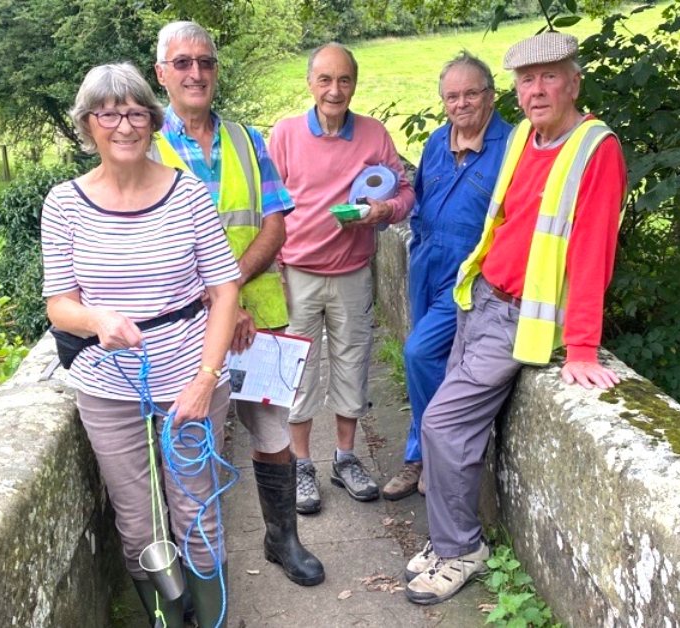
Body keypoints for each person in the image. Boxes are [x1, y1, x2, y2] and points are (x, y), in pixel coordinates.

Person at [404, 32, 627, 606]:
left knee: (443, 425)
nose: (536, 90)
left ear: (574, 81)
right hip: (480, 297)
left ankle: (460, 551)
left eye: (550, 76)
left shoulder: (593, 148)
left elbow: (592, 249)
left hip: (518, 317)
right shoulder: (528, 135)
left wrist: (581, 348)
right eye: (527, 80)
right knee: (455, 426)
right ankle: (445, 538)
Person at [41, 62, 239, 628]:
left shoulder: (188, 194)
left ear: (153, 121)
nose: (123, 126)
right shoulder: (64, 204)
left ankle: (213, 618)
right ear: (87, 125)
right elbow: (59, 304)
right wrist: (98, 319)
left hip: (191, 380)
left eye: (134, 112)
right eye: (108, 113)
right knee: (137, 526)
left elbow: (224, 291)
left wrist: (204, 379)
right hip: (109, 387)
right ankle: (168, 620)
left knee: (197, 513)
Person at [148, 20, 325, 588]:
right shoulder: (144, 146)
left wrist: (235, 286)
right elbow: (145, 245)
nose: (196, 73)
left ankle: (283, 540)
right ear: (162, 74)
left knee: (273, 434)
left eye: (205, 62)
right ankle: (199, 566)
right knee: (190, 441)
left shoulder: (250, 140)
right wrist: (222, 301)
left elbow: (275, 220)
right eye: (183, 63)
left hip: (261, 319)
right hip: (182, 326)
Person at [268, 42, 416, 514]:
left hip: (353, 271)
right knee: (297, 370)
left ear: (355, 83)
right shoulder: (286, 135)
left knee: (353, 362)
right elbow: (268, 204)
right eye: (326, 80)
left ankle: (346, 458)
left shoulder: (374, 134)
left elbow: (406, 190)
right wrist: (272, 269)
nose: (335, 90)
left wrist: (384, 210)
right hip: (297, 272)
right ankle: (302, 464)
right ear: (310, 83)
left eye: (344, 80)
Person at [382, 52, 513, 502]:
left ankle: (426, 458)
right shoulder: (438, 141)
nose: (461, 104)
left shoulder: (512, 148)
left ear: (490, 97)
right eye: (452, 96)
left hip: (469, 276)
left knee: (418, 353)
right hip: (425, 264)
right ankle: (424, 455)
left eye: (471, 93)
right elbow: (415, 199)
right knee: (432, 363)